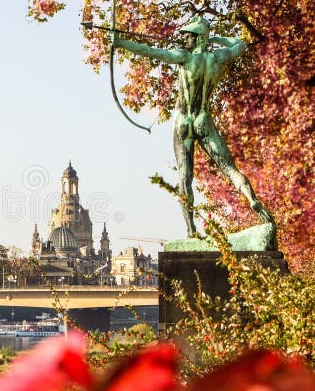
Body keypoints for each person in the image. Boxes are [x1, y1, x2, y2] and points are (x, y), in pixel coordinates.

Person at [110, 17, 274, 236]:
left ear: (197, 37)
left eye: (187, 36)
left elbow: (150, 51)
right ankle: (251, 199)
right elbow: (240, 44)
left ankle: (191, 230)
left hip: (183, 121)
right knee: (230, 168)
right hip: (203, 118)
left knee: (184, 176)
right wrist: (217, 39)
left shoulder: (184, 57)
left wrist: (120, 43)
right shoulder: (218, 57)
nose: (183, 40)